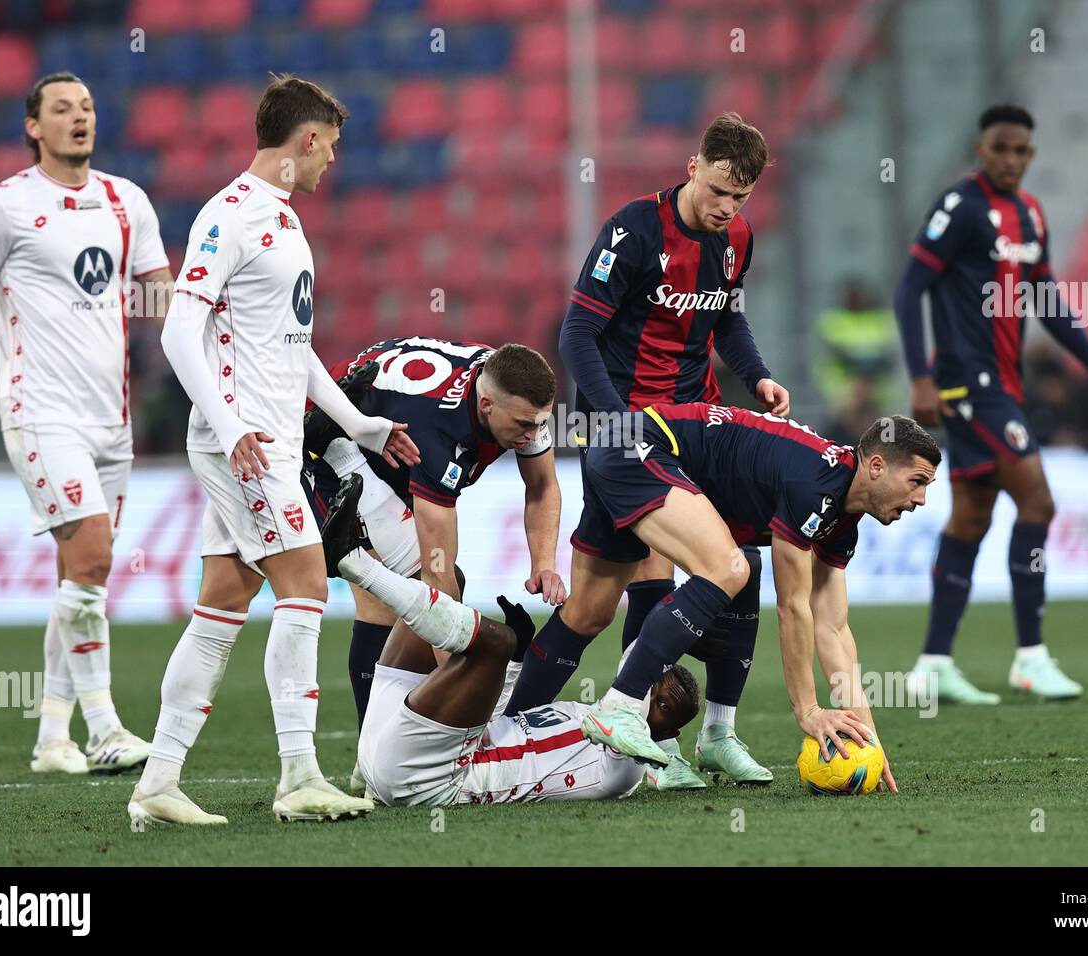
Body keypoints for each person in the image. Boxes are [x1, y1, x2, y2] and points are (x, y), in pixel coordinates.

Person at [127, 74, 419, 827]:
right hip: (244, 441)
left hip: (268, 438)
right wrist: (230, 430)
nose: (333, 165)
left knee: (225, 599)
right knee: (307, 582)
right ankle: (298, 776)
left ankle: (158, 782)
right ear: (309, 139)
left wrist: (357, 422)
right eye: (332, 149)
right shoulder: (229, 215)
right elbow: (175, 331)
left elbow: (290, 345)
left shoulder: (284, 221)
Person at [514, 112, 791, 788]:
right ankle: (530, 727)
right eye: (720, 190)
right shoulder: (634, 230)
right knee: (618, 595)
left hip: (693, 425)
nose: (728, 208)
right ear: (694, 165)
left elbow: (726, 316)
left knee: (678, 576)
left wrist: (755, 375)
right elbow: (577, 334)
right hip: (620, 430)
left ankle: (692, 737)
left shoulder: (738, 239)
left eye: (741, 197)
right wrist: (617, 419)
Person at [0, 72, 171, 775]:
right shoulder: (3, 208)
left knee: (82, 576)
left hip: (111, 419)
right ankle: (103, 730)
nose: (80, 118)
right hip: (39, 413)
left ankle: (50, 739)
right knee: (94, 556)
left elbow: (162, 301)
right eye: (62, 109)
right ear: (33, 127)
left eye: (89, 108)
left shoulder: (126, 200)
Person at [560, 403, 940, 793]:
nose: (922, 498)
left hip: (653, 455)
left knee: (741, 567)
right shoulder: (814, 485)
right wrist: (807, 710)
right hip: (636, 445)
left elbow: (833, 627)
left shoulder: (842, 518)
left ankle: (715, 735)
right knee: (722, 571)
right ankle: (622, 707)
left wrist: (869, 741)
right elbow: (793, 607)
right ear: (876, 466)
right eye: (917, 481)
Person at [893, 104, 1088, 703]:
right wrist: (922, 378)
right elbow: (909, 290)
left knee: (972, 517)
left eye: (1019, 151)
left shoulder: (1030, 215)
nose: (1008, 159)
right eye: (998, 148)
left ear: (1030, 155)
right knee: (1039, 501)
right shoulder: (960, 207)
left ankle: (933, 664)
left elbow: (1048, 300)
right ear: (982, 150)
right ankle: (1030, 656)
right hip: (966, 385)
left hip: (1004, 385)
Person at [311, 475, 700, 806]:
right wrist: (516, 664)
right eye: (652, 688)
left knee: (494, 642)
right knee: (448, 582)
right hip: (385, 749)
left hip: (431, 778)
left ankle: (351, 561)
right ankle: (341, 460)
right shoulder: (586, 714)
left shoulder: (625, 769)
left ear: (668, 735)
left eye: (663, 706)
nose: (648, 699)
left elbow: (637, 655)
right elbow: (498, 722)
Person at [301, 337, 564, 790]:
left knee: (412, 597)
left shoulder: (512, 394)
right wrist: (465, 698)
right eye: (523, 424)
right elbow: (437, 580)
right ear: (485, 406)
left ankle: (374, 752)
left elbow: (542, 486)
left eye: (540, 423)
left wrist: (544, 562)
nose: (532, 433)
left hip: (383, 440)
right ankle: (374, 756)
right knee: (402, 595)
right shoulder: (437, 433)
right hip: (328, 446)